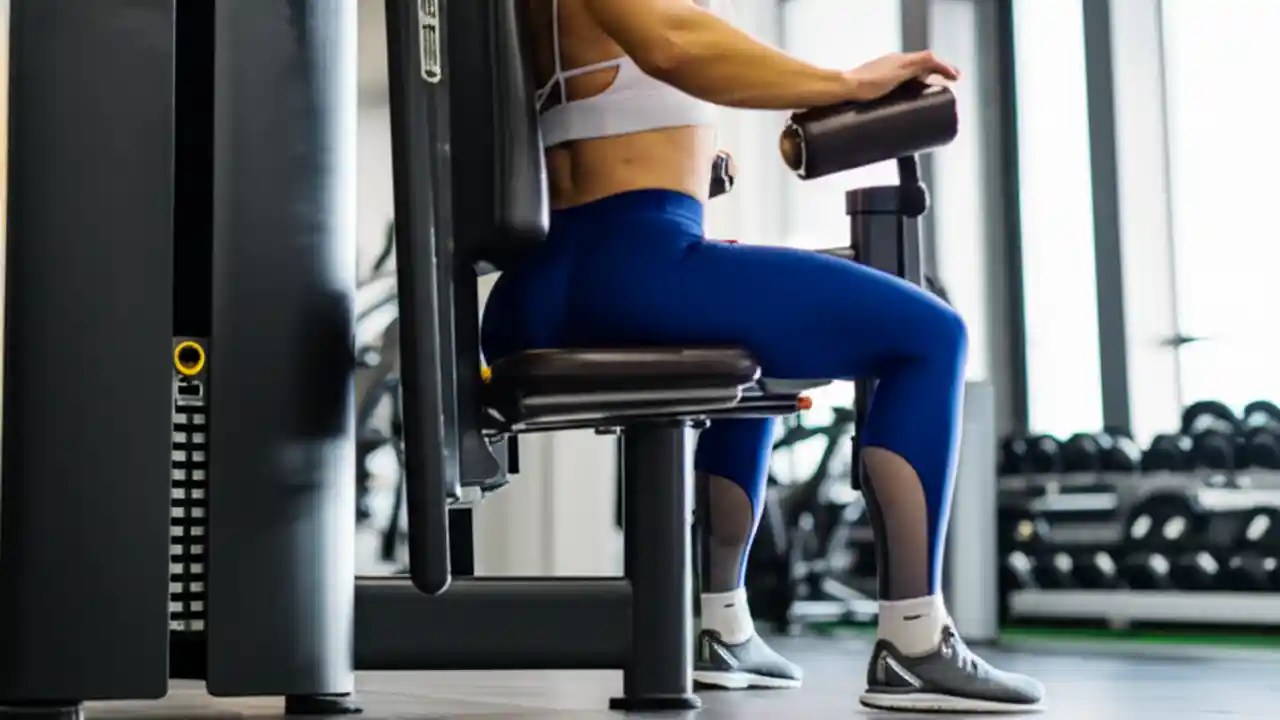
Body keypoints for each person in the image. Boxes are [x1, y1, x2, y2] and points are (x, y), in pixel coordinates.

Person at [482, 0, 1046, 712]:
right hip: (630, 264)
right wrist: (845, 83)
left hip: (537, 283)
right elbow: (675, 41)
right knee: (931, 334)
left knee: (755, 347)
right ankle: (915, 642)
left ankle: (722, 627)